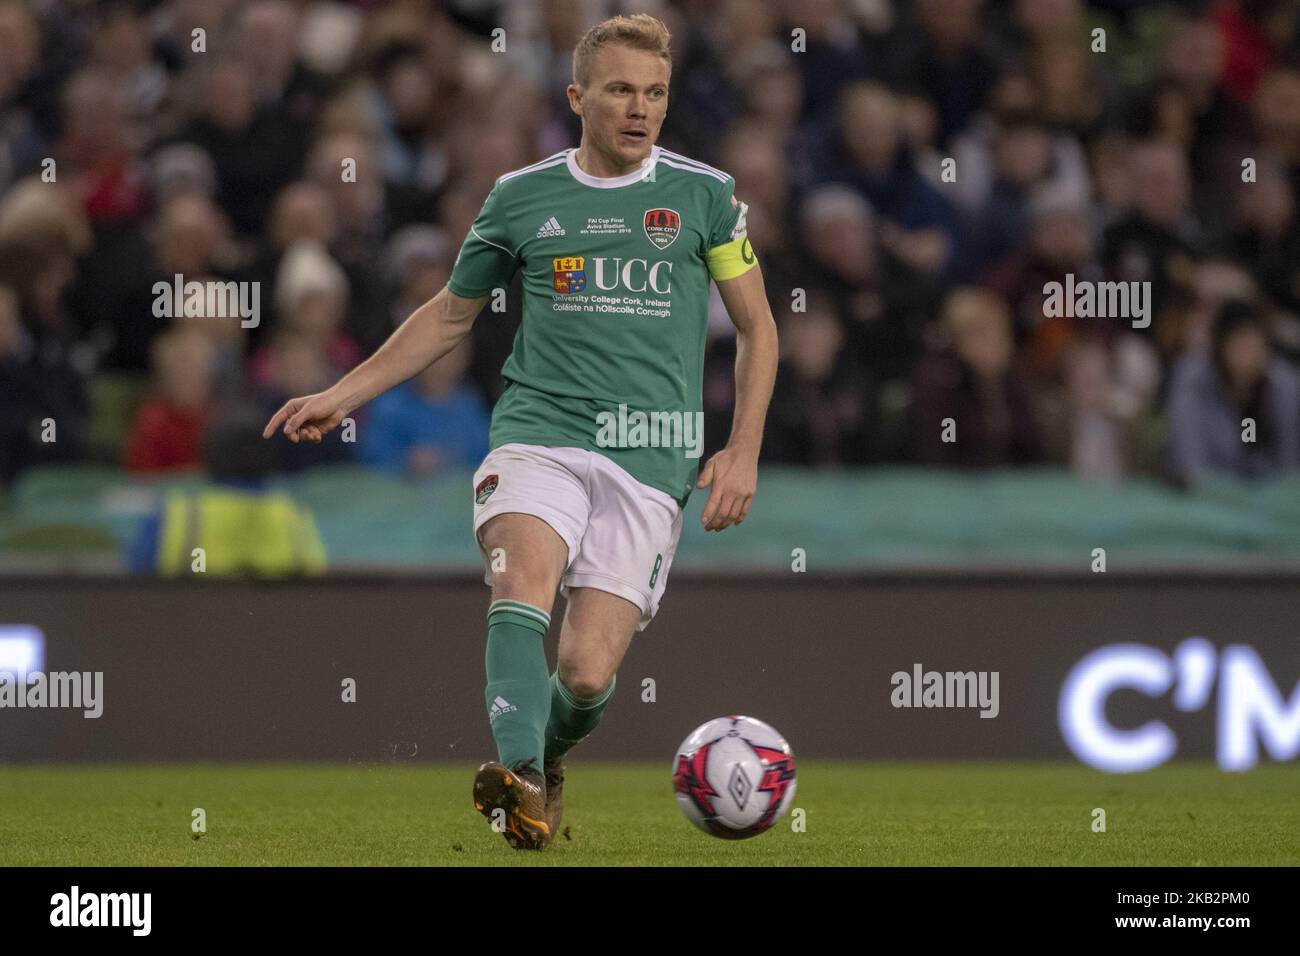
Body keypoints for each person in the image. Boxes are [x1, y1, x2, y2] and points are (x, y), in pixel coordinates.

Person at [264, 14, 778, 850]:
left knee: (583, 673)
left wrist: (743, 445)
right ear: (578, 97)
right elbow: (448, 316)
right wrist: (345, 392)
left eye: (654, 93)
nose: (639, 108)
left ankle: (546, 755)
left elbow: (758, 328)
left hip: (653, 455)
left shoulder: (706, 197)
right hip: (540, 432)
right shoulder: (521, 197)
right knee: (520, 584)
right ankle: (521, 779)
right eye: (620, 90)